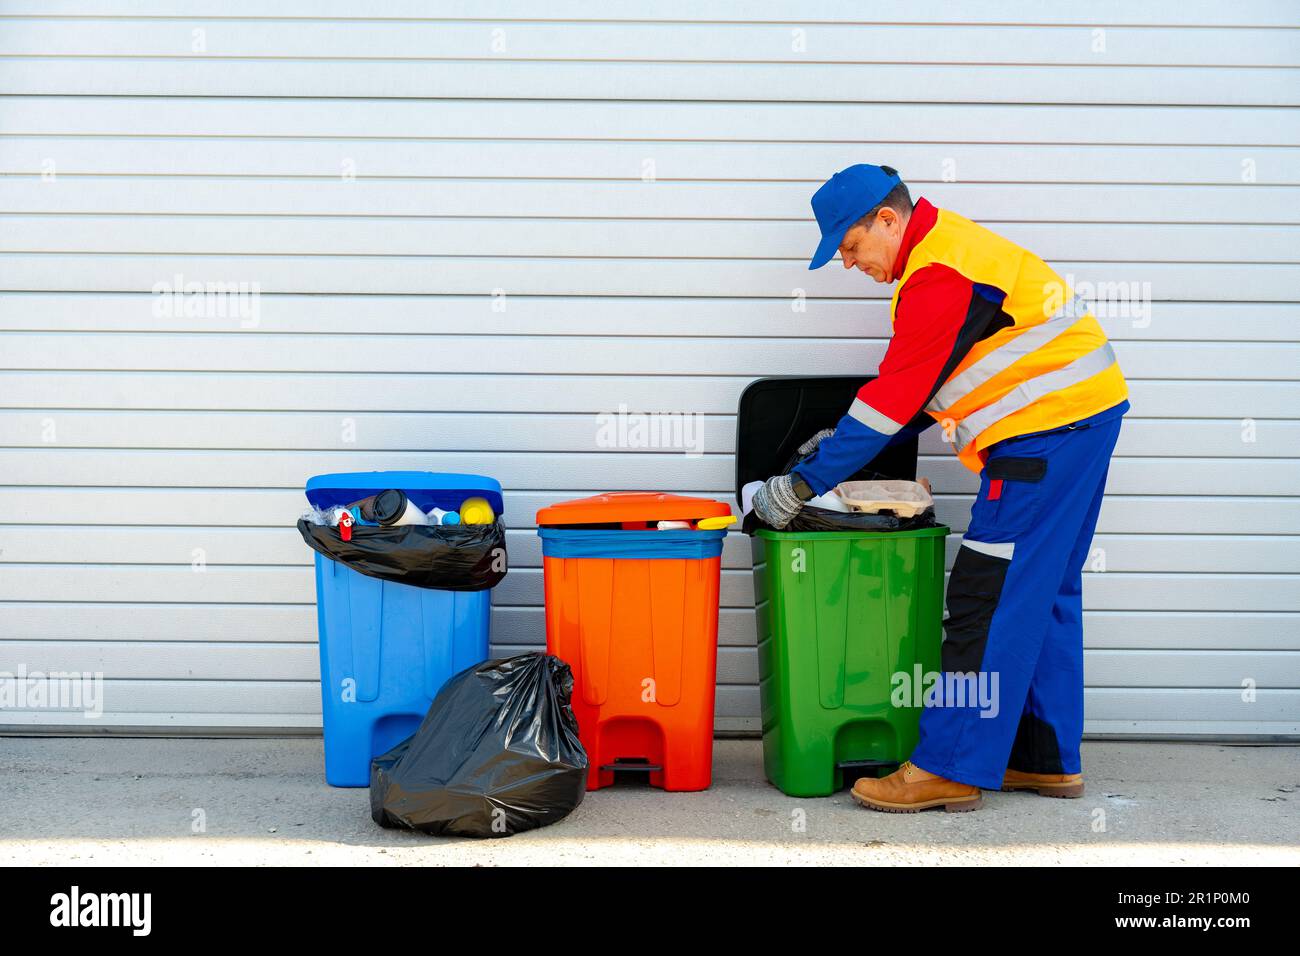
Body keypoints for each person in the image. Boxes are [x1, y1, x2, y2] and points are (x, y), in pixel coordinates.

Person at [752, 164, 1130, 812]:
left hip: (1043, 434)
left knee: (987, 596)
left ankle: (947, 766)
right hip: (1083, 417)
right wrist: (837, 448)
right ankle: (1042, 759)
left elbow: (893, 401)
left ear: (888, 220)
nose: (849, 264)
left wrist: (803, 483)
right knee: (1044, 590)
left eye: (850, 246)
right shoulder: (950, 253)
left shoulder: (936, 275)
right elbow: (931, 384)